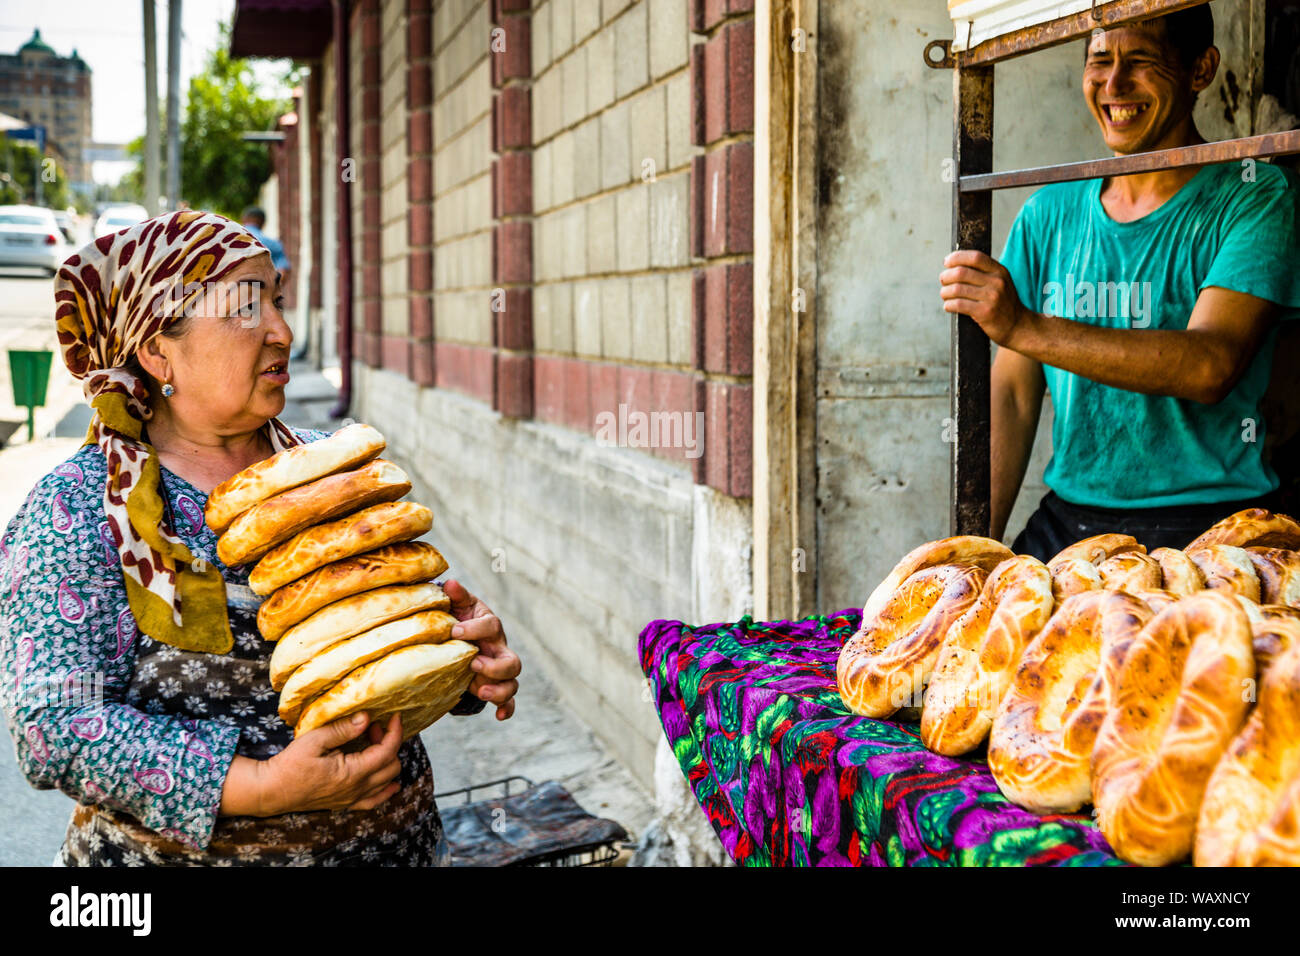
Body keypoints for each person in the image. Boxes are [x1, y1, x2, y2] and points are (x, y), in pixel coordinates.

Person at [0, 210, 520, 865]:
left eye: (277, 300)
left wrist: (464, 661)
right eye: (247, 308)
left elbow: (384, 651)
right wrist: (263, 786)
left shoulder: (334, 469)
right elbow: (54, 726)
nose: (283, 331)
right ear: (158, 351)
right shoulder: (82, 507)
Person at [939, 7, 1300, 560]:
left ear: (1201, 69)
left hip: (1214, 523)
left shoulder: (1254, 195)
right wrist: (973, 553)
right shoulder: (1048, 213)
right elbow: (1012, 393)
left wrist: (1023, 326)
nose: (1113, 84)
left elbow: (1210, 365)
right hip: (1070, 521)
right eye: (1100, 60)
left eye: (1140, 61)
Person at [241, 205, 292, 293]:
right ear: (263, 222)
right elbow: (284, 271)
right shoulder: (273, 244)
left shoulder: (229, 240)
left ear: (244, 219)